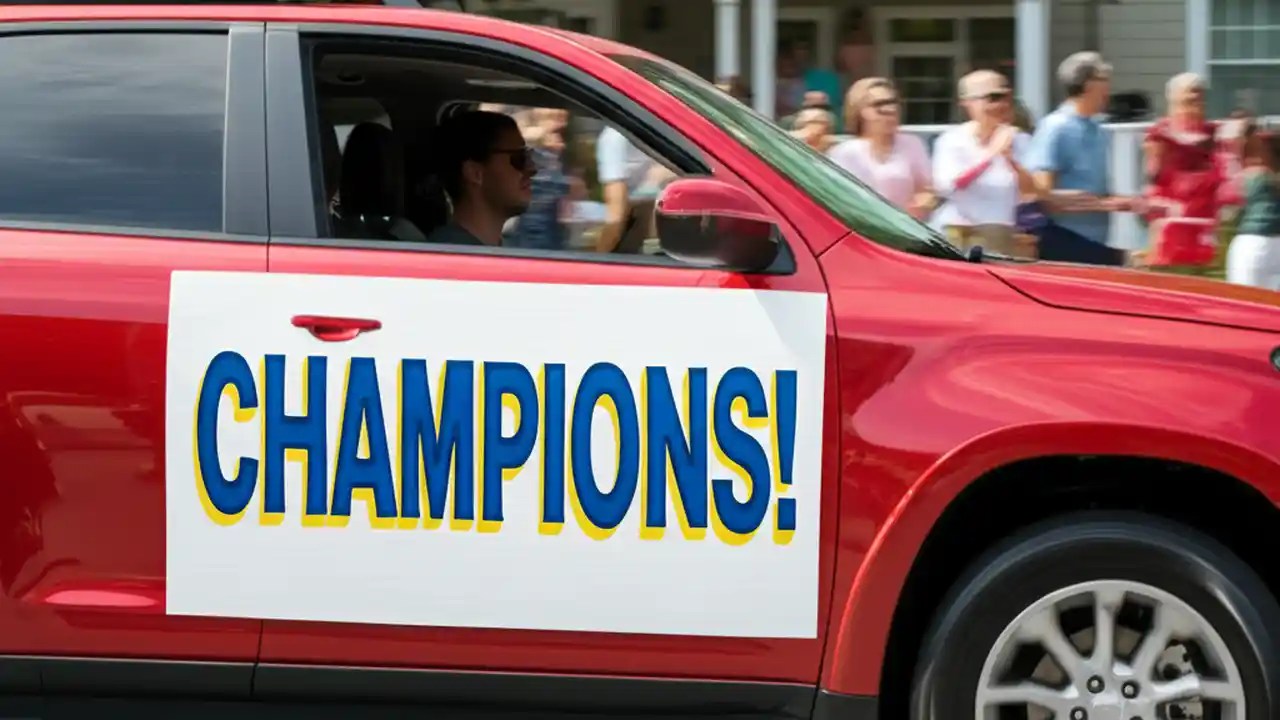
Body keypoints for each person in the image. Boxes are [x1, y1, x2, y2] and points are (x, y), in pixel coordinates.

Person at [1025, 51, 1137, 266]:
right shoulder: (1055, 127)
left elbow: (1095, 190)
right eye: (1104, 79)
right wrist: (1104, 205)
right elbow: (1042, 195)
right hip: (1063, 239)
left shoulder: (1096, 128)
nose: (1109, 87)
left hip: (1096, 240)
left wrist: (1120, 201)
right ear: (1087, 85)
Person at [931, 70, 1037, 256]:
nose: (1001, 104)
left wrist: (1011, 160)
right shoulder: (951, 140)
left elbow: (1031, 192)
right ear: (967, 102)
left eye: (1006, 96)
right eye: (992, 97)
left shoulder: (1020, 139)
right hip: (958, 231)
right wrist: (991, 155)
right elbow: (949, 186)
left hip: (1000, 232)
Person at [1140, 72, 1225, 266]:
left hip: (1206, 237)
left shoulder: (1213, 136)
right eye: (1187, 102)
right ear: (1172, 105)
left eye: (1200, 102)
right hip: (1170, 239)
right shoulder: (1160, 139)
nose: (1195, 109)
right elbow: (1153, 189)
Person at [827, 77, 934, 219]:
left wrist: (923, 204)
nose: (890, 110)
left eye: (893, 103)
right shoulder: (843, 153)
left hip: (906, 230)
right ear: (860, 110)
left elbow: (926, 190)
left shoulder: (912, 144)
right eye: (880, 105)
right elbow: (836, 200)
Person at [427, 110, 535, 247]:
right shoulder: (447, 257)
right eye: (519, 159)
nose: (531, 169)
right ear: (474, 173)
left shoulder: (497, 250)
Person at [595, 125, 674, 253]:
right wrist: (596, 263)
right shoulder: (615, 139)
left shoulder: (654, 134)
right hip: (627, 238)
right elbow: (616, 216)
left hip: (640, 235)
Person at [1225, 122, 1280, 289]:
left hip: (1252, 245)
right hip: (1262, 244)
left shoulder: (1248, 174)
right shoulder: (1260, 175)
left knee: (1247, 306)